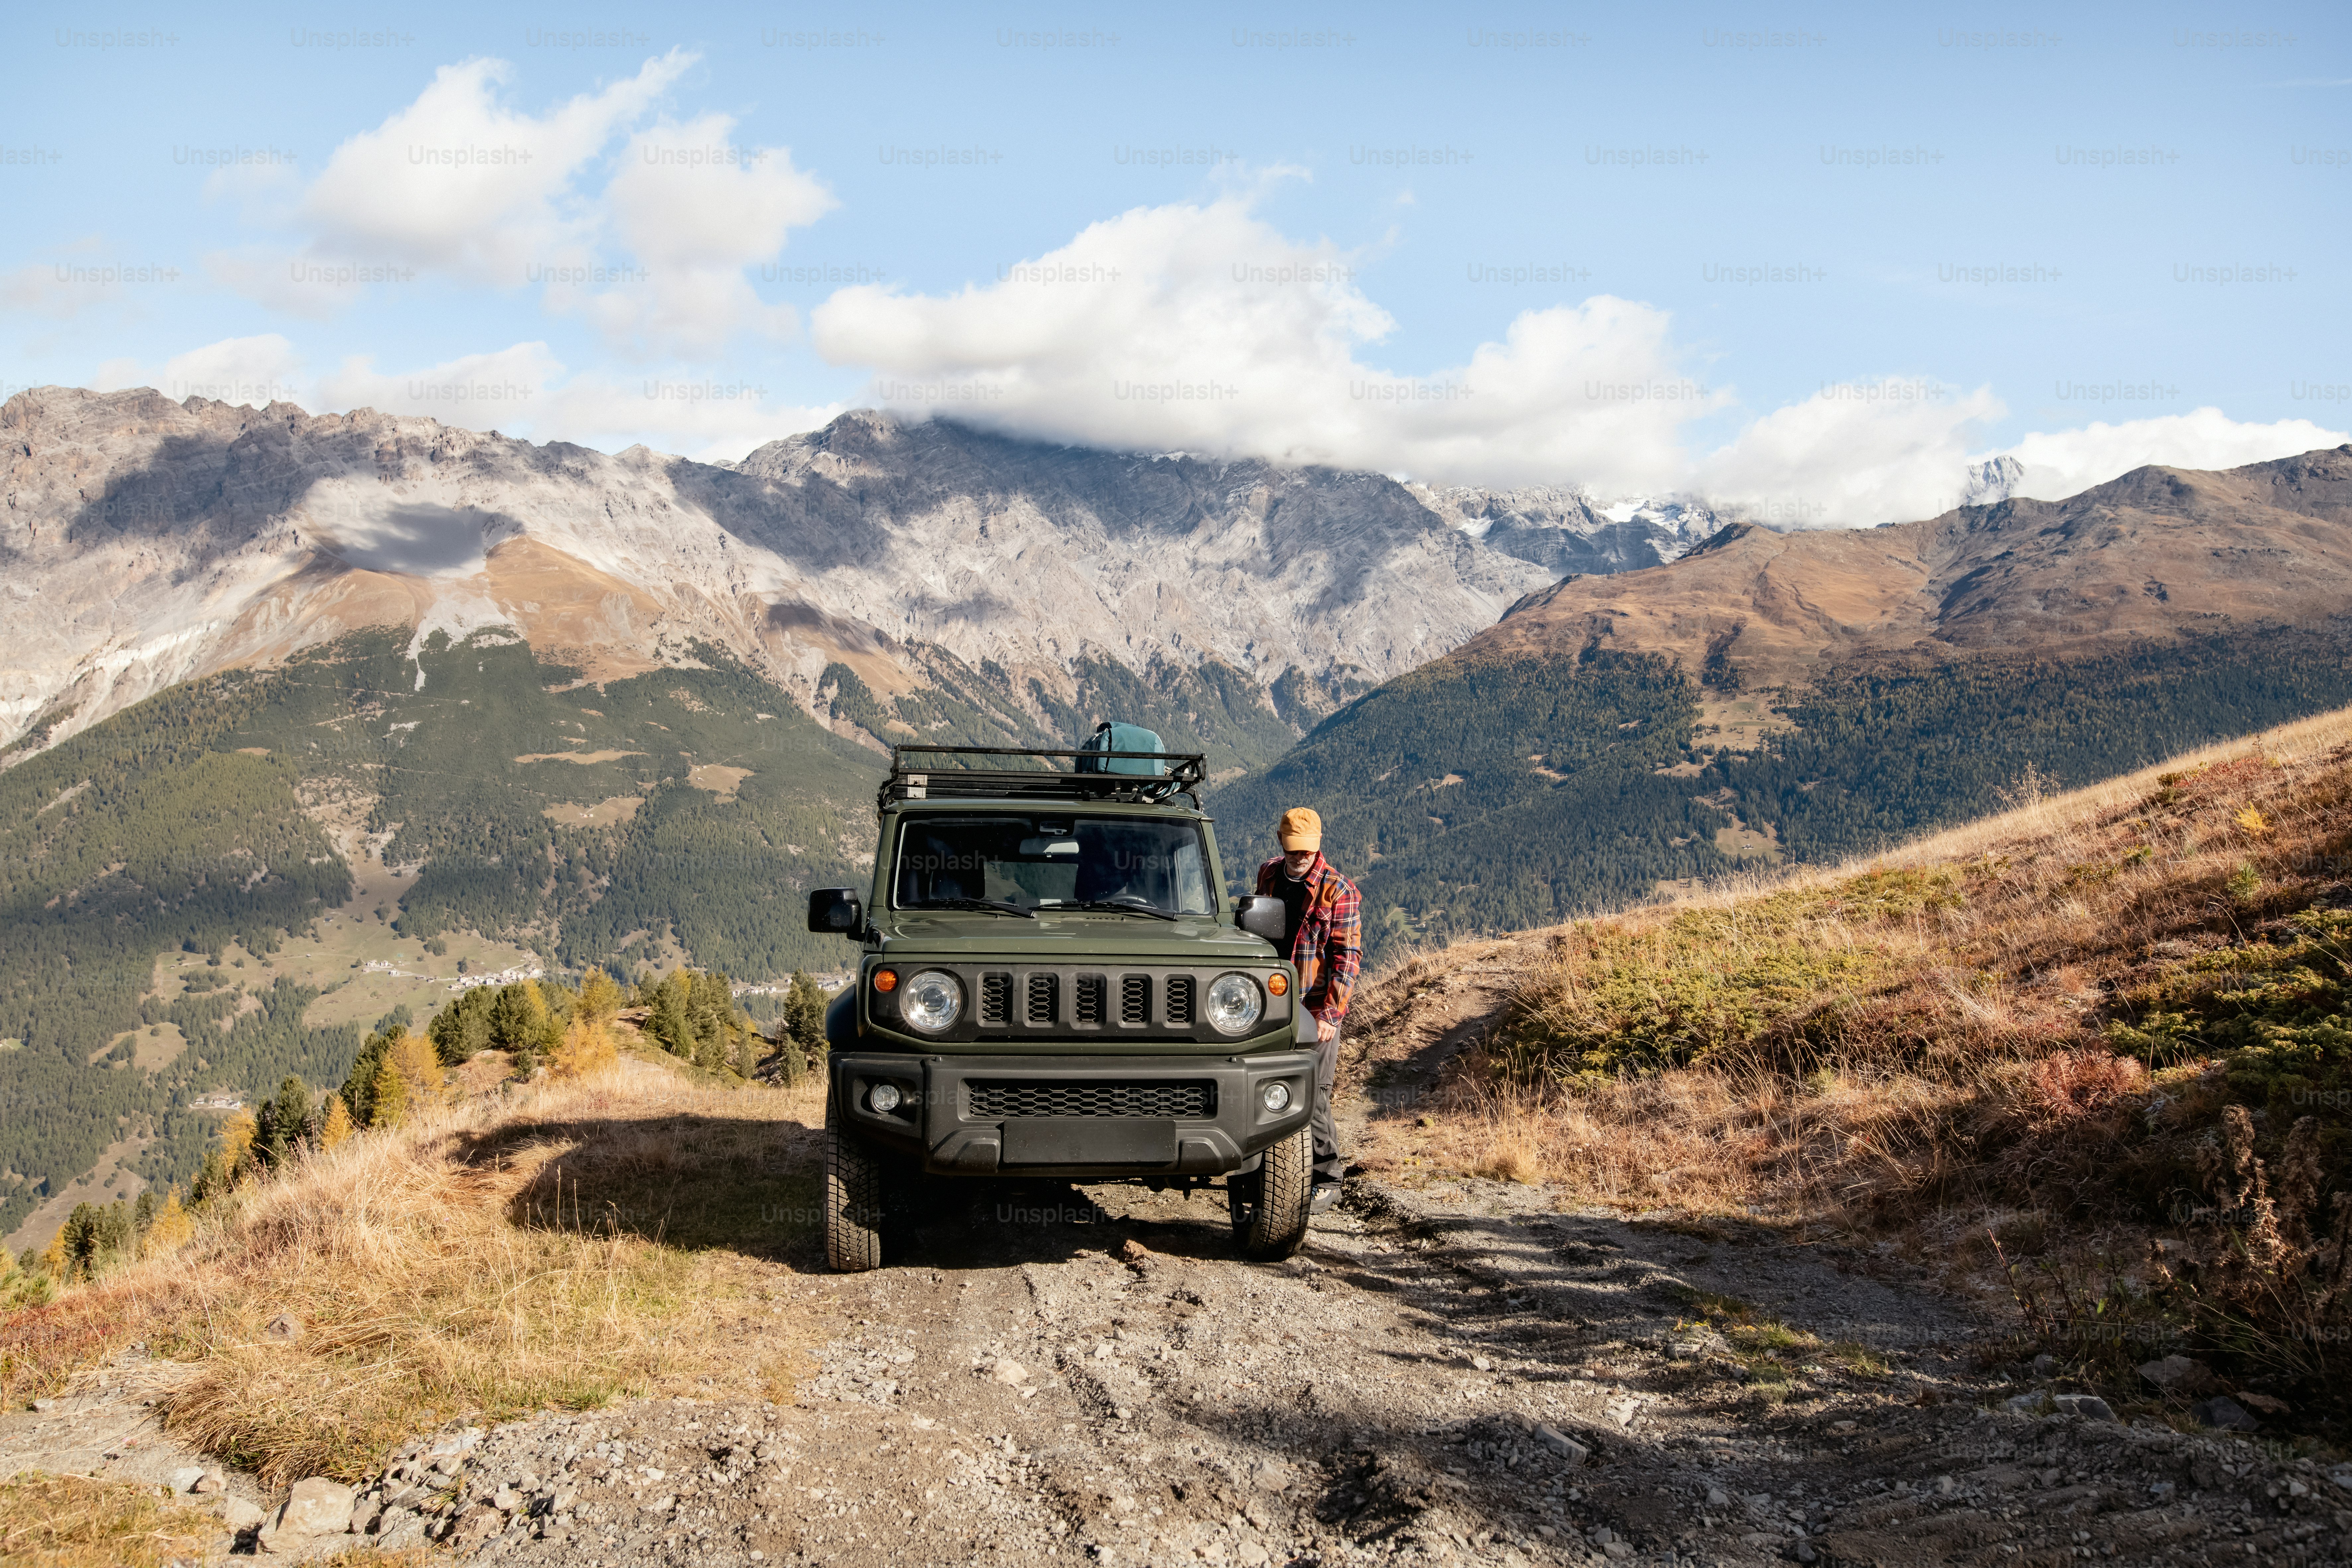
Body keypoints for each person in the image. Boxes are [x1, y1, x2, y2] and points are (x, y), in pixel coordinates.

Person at [1255, 807, 1361, 1213]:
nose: (1300, 858)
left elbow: (1347, 958)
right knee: (1269, 1085)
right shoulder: (1268, 873)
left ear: (1318, 846)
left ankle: (1328, 1177)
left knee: (1313, 1092)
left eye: (1308, 851)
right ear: (1281, 842)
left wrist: (1330, 1016)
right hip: (1269, 1001)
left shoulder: (1339, 890)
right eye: (1294, 850)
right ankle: (1273, 1169)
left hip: (1313, 1007)